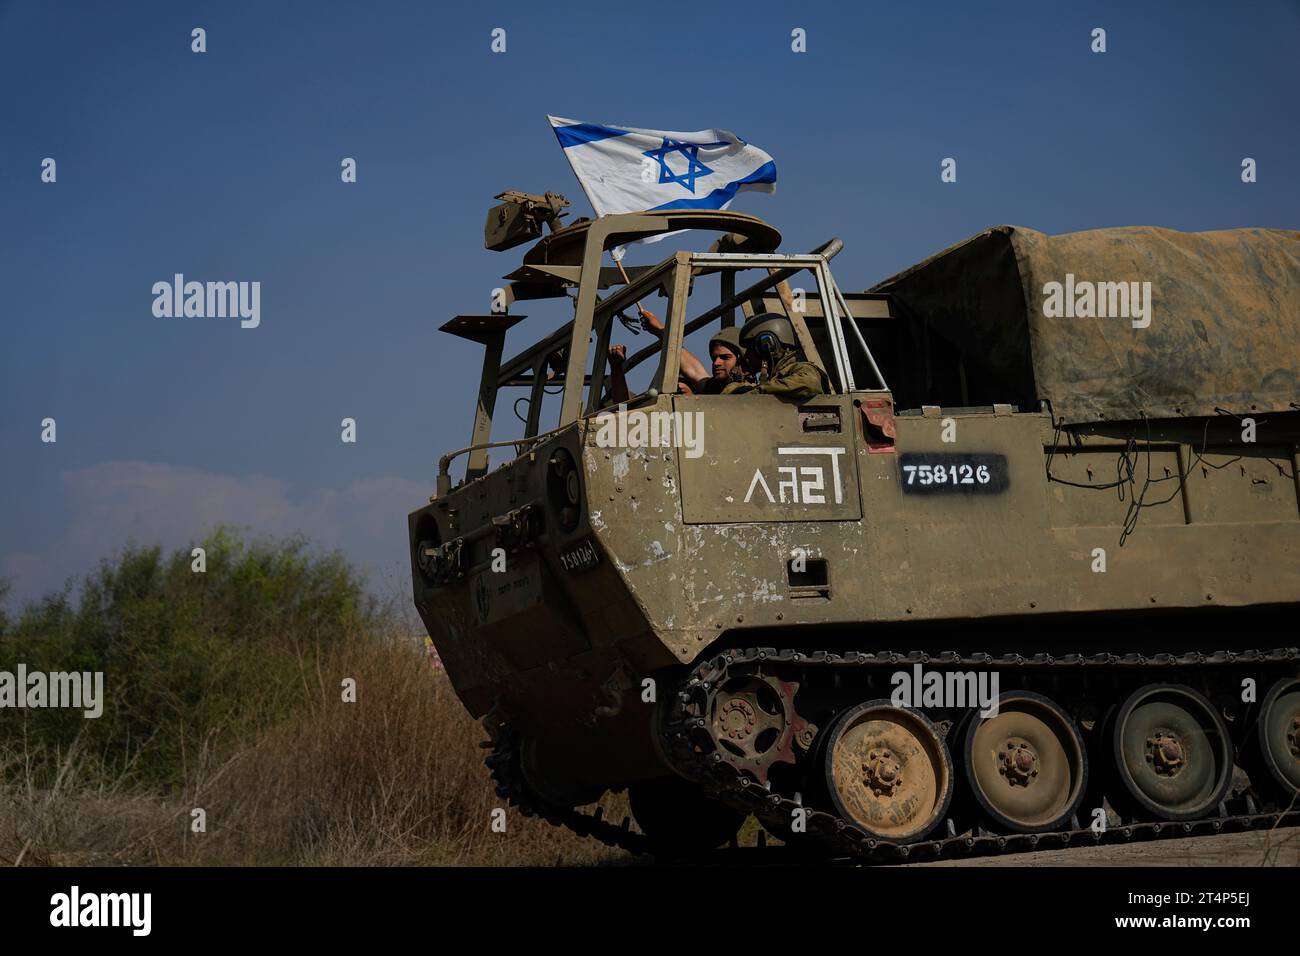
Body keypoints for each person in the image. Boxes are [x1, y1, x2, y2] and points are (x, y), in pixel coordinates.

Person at [722, 313, 829, 401]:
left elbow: (809, 383)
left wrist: (759, 391)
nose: (747, 355)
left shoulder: (800, 368)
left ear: (767, 345)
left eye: (750, 349)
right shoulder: (774, 377)